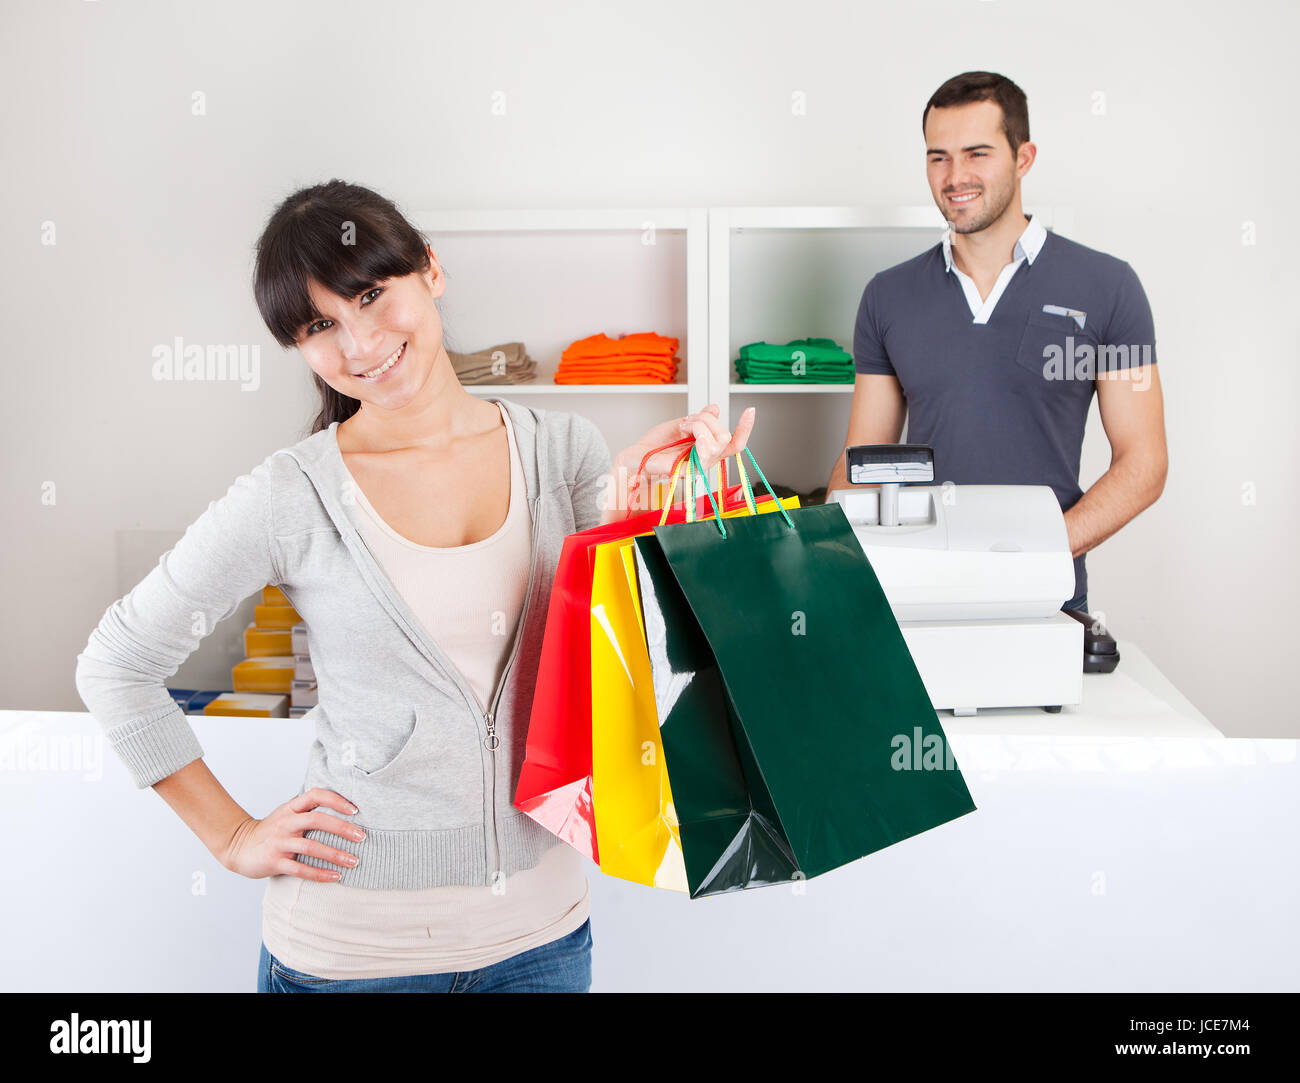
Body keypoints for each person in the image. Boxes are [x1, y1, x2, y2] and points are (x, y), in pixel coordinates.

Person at [74, 179, 756, 993]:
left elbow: (626, 674)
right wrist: (232, 837)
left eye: (371, 294)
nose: (359, 343)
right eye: (321, 324)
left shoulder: (562, 451)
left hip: (542, 940)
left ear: (431, 268)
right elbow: (115, 664)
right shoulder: (291, 494)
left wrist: (660, 519)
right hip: (353, 958)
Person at [826, 71, 1167, 617]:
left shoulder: (1110, 287)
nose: (955, 176)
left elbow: (1144, 463)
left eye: (977, 153)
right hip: (915, 590)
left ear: (1023, 157)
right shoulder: (887, 296)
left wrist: (1035, 554)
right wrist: (824, 563)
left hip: (1046, 594)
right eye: (938, 157)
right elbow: (862, 464)